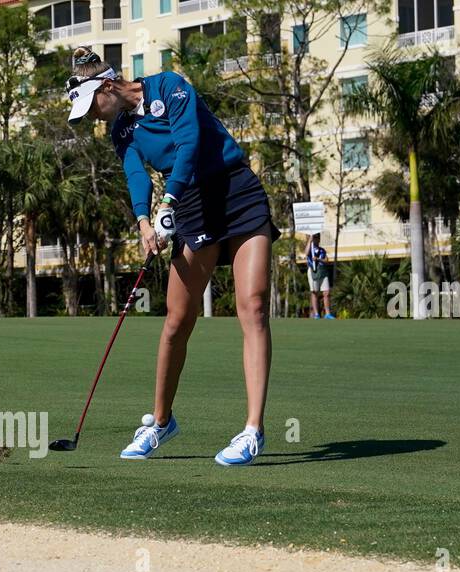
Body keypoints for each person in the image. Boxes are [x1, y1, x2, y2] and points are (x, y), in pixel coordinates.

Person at [66, 47, 280, 466]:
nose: (92, 116)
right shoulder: (120, 131)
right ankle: (161, 421)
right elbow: (134, 174)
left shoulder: (170, 86)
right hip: (193, 205)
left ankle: (253, 429)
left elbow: (189, 143)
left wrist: (169, 201)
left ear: (107, 86)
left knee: (253, 307)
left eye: (92, 105)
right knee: (177, 321)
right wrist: (145, 221)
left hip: (237, 191)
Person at [305, 234, 334, 319]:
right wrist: (310, 241)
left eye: (318, 238)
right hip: (313, 272)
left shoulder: (322, 250)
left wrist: (318, 259)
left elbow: (326, 260)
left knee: (326, 292)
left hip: (322, 272)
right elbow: (306, 253)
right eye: (315, 238)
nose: (317, 239)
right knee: (314, 292)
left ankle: (327, 314)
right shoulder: (310, 249)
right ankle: (316, 314)